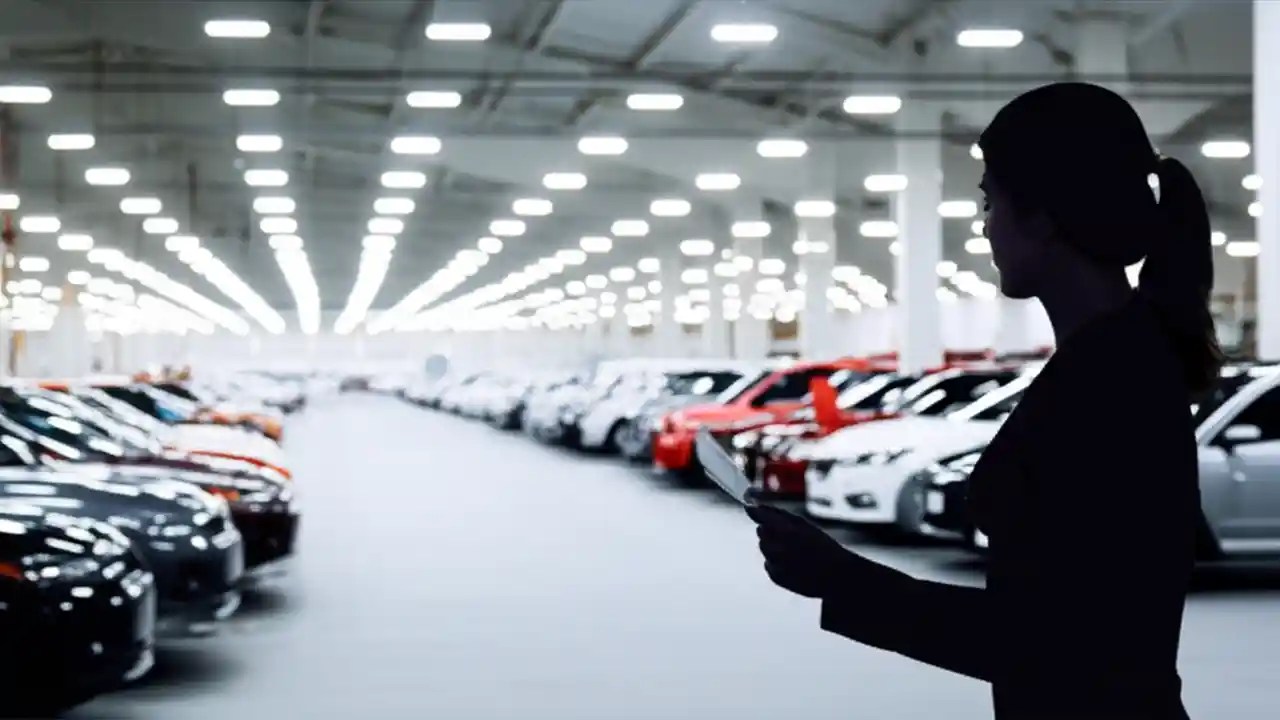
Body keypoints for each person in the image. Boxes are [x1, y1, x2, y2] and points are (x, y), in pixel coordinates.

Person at [747, 82, 1221, 720]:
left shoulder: (1111, 386)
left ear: (1044, 217)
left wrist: (841, 578)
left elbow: (1060, 643)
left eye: (990, 201)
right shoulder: (1108, 364)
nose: (983, 224)